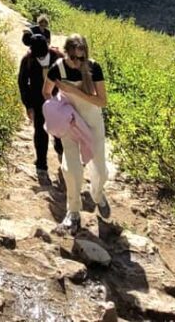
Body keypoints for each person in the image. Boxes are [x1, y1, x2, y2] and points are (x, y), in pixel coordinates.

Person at [42, 34, 110, 235]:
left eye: (81, 57)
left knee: (101, 170)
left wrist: (73, 90)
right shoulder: (57, 69)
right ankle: (73, 212)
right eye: (73, 57)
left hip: (92, 121)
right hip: (70, 121)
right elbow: (46, 92)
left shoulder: (94, 67)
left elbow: (102, 101)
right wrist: (58, 111)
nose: (77, 62)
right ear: (65, 53)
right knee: (71, 169)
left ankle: (97, 194)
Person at [18, 32, 64, 186]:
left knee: (60, 130)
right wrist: (28, 105)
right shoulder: (28, 60)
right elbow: (23, 84)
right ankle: (41, 166)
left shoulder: (57, 57)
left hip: (57, 100)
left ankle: (61, 151)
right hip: (38, 102)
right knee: (40, 132)